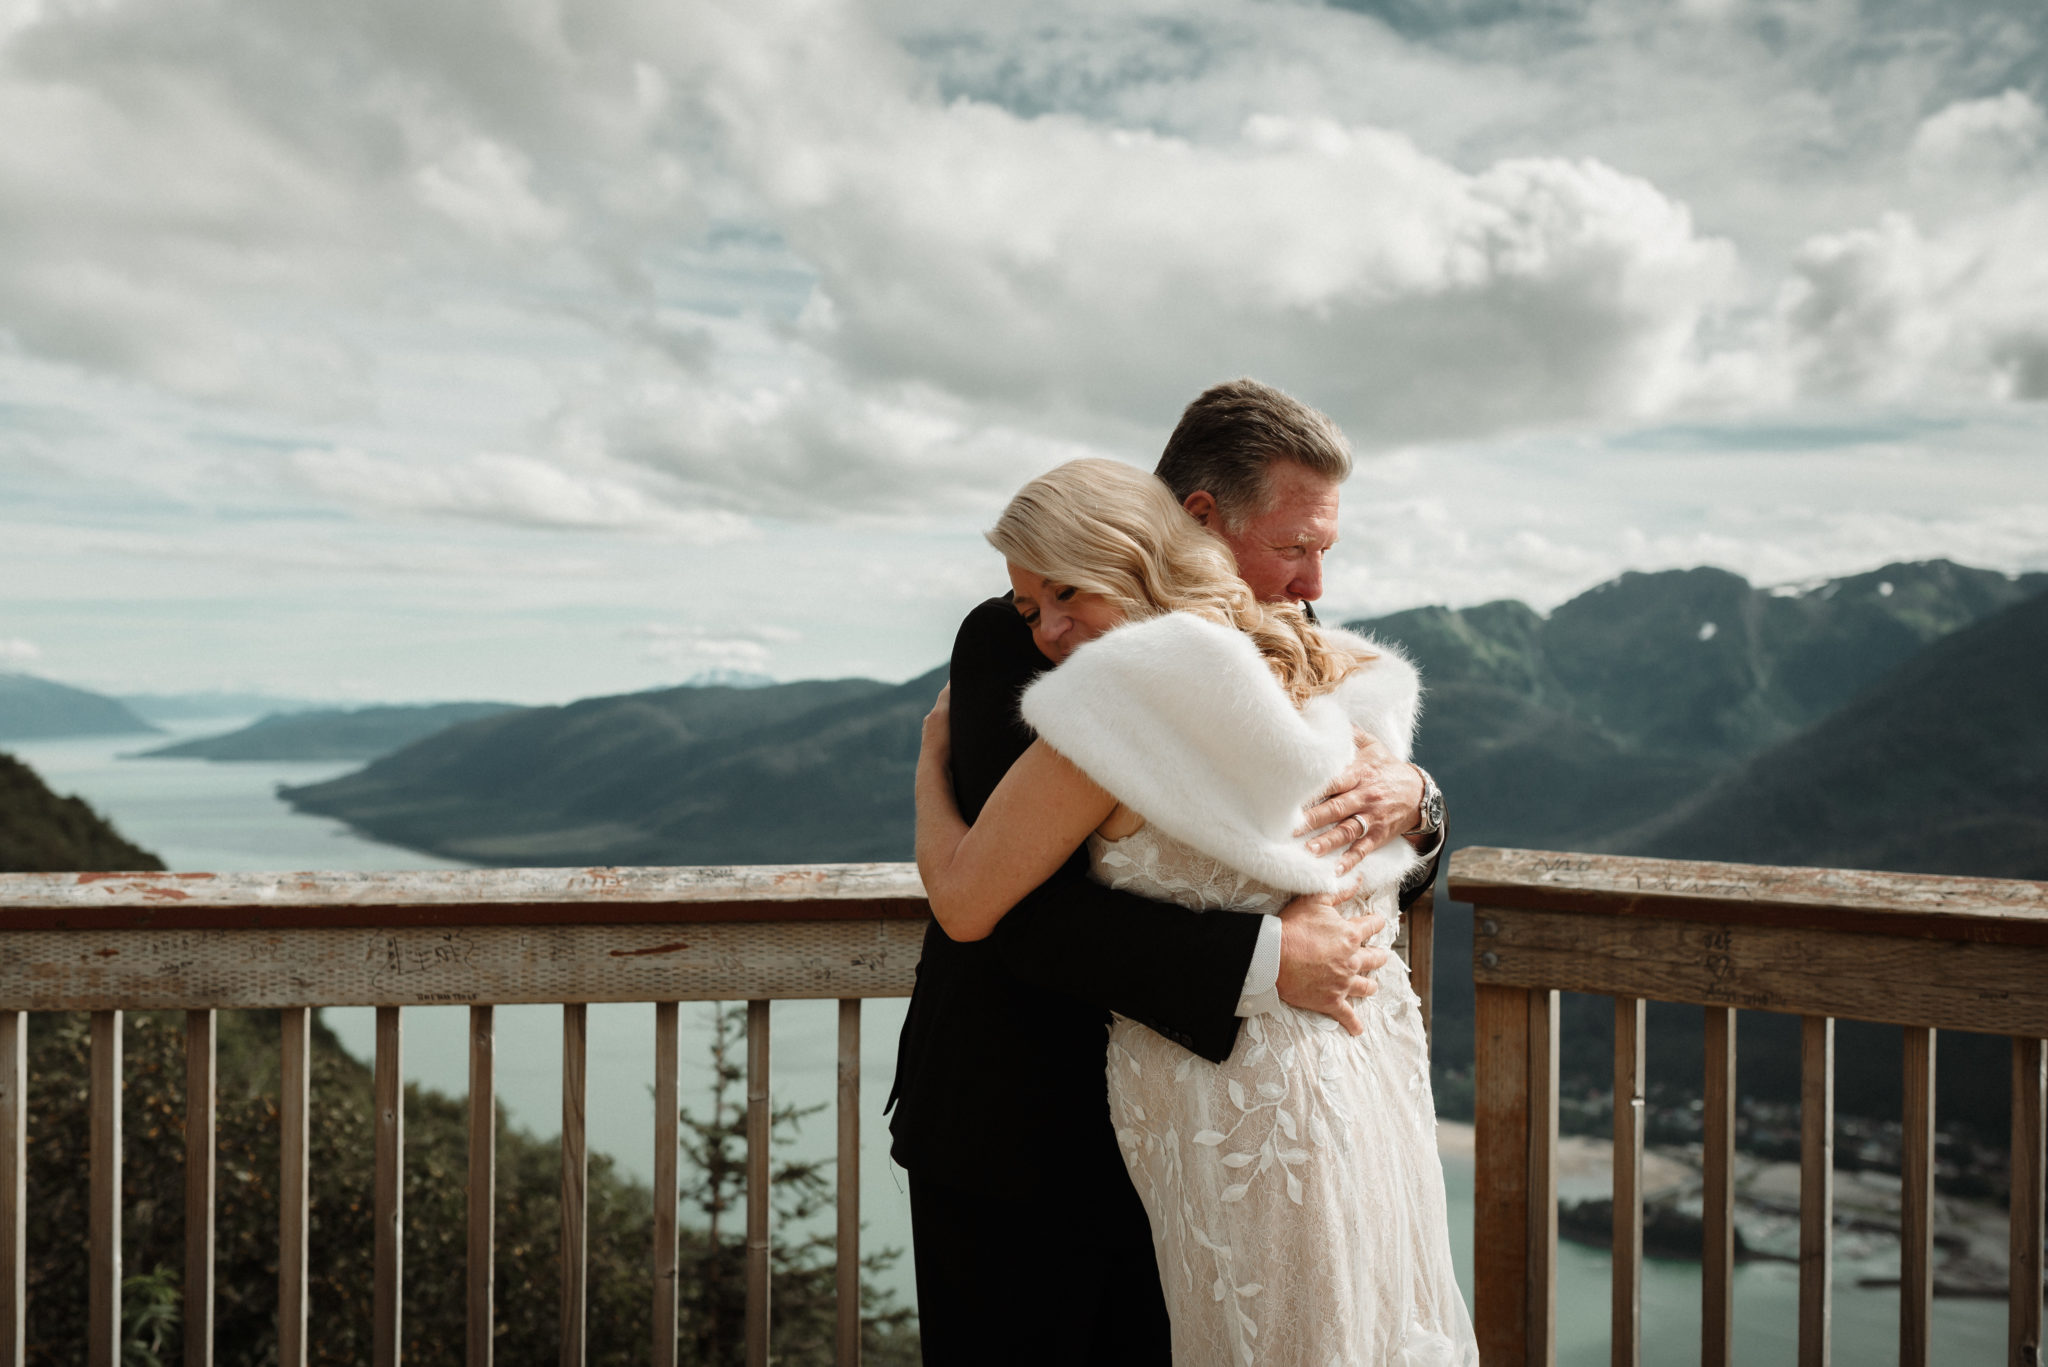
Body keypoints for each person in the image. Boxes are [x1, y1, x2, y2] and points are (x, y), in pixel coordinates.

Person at [887, 379, 1446, 1365]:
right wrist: (1266, 958)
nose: (1313, 581)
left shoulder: (1292, 645)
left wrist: (1415, 801)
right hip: (1028, 1127)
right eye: (1293, 545)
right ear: (1198, 516)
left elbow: (1353, 864)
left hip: (1220, 1137)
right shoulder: (1014, 640)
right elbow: (1017, 913)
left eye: (1323, 549)